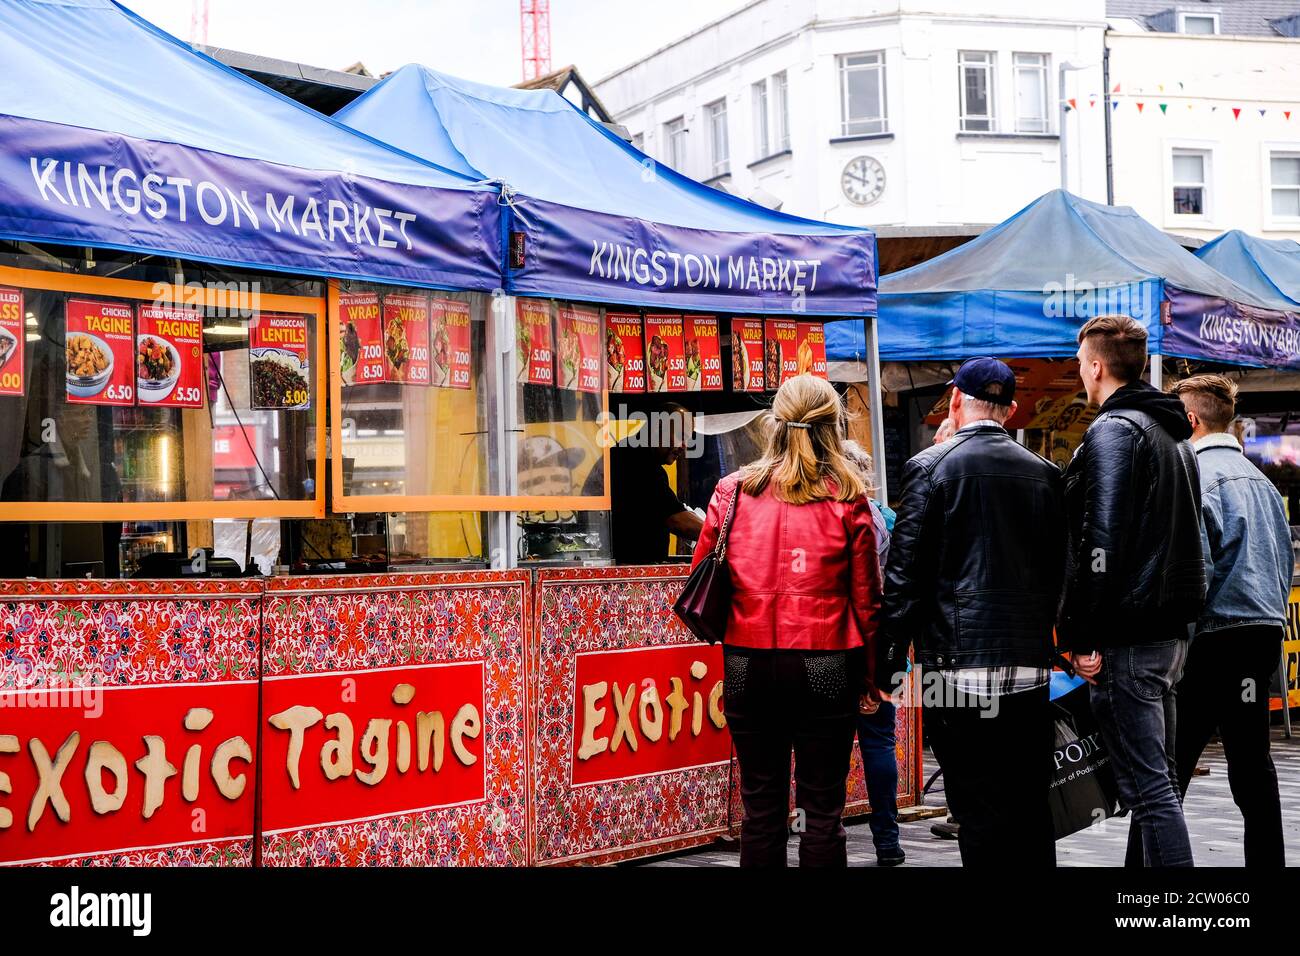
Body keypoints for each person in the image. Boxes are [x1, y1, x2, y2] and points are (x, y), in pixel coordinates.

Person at [876, 357, 1064, 868]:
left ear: (956, 400)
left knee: (976, 809)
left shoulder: (928, 467)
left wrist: (888, 662)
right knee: (1028, 804)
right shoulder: (1046, 474)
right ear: (1011, 409)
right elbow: (1061, 570)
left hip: (956, 669)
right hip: (1028, 666)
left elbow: (904, 576)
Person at [694, 375, 881, 867]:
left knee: (760, 808)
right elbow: (868, 601)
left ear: (774, 422)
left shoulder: (731, 492)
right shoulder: (848, 497)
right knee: (822, 811)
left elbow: (702, 573)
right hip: (824, 660)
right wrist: (872, 677)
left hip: (747, 661)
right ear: (834, 426)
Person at [1058, 315, 1206, 868]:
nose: (1078, 372)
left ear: (1096, 365)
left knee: (1149, 792)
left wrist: (1082, 633)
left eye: (1080, 362)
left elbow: (1104, 538)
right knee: (1157, 785)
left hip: (1130, 636)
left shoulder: (1116, 430)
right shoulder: (1170, 434)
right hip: (1164, 635)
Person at [1156, 374, 1290, 867]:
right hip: (1258, 636)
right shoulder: (1262, 481)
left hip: (1211, 638)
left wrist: (1175, 643)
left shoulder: (1193, 475)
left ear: (1189, 420)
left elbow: (1195, 572)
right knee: (1252, 765)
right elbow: (1279, 563)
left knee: (1168, 771)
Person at [842, 440, 905, 866]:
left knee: (831, 745)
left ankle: (827, 839)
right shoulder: (890, 520)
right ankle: (888, 841)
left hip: (842, 643)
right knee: (879, 740)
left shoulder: (840, 517)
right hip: (884, 643)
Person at [609, 404, 703, 564]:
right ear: (658, 428)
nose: (684, 446)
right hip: (629, 576)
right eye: (681, 436)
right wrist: (726, 535)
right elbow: (678, 521)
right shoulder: (636, 462)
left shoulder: (633, 455)